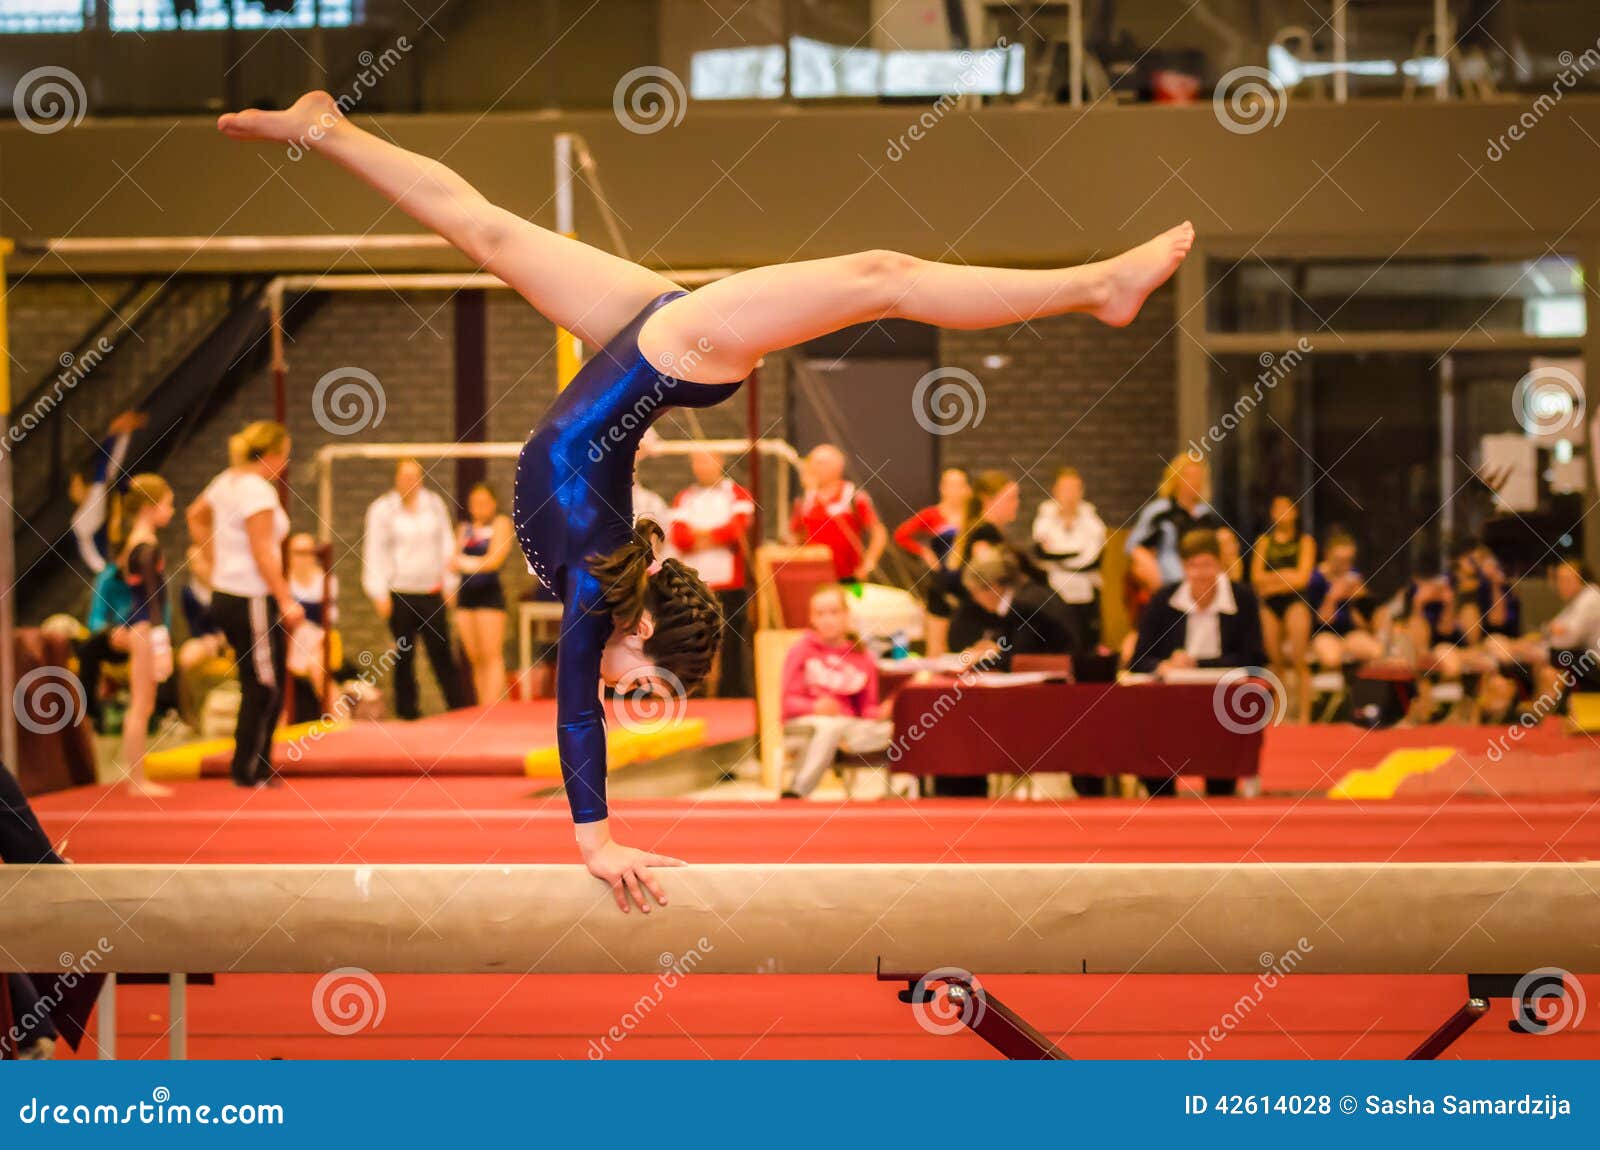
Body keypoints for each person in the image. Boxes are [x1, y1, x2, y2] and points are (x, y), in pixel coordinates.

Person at [219, 89, 1192, 908]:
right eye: (638, 674)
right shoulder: (601, 590)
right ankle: (1096, 286)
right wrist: (595, 840)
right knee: (881, 275)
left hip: (644, 343)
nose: (615, 682)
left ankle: (330, 127)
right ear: (641, 631)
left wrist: (598, 826)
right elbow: (574, 715)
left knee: (484, 231)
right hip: (672, 352)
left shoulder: (614, 563)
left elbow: (584, 679)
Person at [187, 421, 300, 788]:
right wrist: (285, 597)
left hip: (228, 592)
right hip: (250, 596)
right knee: (265, 684)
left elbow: (195, 514)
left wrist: (212, 559)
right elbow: (262, 550)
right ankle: (249, 767)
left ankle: (255, 764)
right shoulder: (257, 491)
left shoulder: (227, 480)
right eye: (284, 456)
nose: (284, 464)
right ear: (270, 455)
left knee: (262, 680)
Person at [1130, 529, 1266, 798]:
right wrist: (1164, 666)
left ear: (1219, 564)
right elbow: (1139, 660)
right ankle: (1160, 798)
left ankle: (1221, 794)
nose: (1201, 573)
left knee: (1220, 754)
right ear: (1183, 567)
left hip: (1222, 700)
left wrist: (1199, 664)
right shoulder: (1163, 601)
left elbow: (1254, 658)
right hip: (1171, 704)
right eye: (1193, 565)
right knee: (1151, 730)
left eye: (1207, 565)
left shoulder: (1242, 599)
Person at [361, 459, 464, 720]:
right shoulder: (382, 509)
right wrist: (378, 592)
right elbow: (374, 551)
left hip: (431, 591)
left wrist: (451, 584)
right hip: (400, 593)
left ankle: (458, 709)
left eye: (415, 477)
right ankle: (408, 713)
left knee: (441, 654)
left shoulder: (434, 505)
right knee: (403, 656)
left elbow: (446, 544)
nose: (410, 482)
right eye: (405, 477)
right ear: (397, 479)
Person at [779, 584, 894, 798]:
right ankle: (797, 791)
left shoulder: (862, 657)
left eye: (834, 612)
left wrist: (882, 713)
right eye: (821, 614)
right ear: (812, 618)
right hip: (807, 725)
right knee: (830, 727)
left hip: (849, 727)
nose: (828, 619)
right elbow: (786, 704)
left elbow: (866, 710)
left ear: (846, 615)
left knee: (894, 730)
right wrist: (815, 707)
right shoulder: (801, 651)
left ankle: (902, 794)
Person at [111, 474, 177, 797]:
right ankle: (136, 779)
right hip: (146, 629)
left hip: (140, 628)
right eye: (168, 503)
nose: (172, 510)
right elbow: (151, 599)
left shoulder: (137, 542)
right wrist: (161, 644)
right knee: (140, 704)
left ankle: (137, 776)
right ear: (150, 506)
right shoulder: (145, 545)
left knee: (143, 705)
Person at [670, 451, 755, 696]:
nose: (702, 466)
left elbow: (736, 531)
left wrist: (701, 535)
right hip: (695, 581)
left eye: (706, 460)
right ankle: (693, 689)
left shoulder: (737, 494)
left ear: (721, 462)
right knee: (693, 636)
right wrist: (712, 537)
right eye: (697, 461)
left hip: (730, 581)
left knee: (731, 639)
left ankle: (733, 690)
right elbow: (680, 537)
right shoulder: (684, 497)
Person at [1127, 456, 1236, 624]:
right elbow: (1135, 547)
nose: (1194, 481)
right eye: (1189, 476)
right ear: (1175, 479)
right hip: (1171, 578)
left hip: (1205, 577)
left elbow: (1222, 544)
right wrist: (1155, 577)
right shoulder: (1160, 511)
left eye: (1198, 477)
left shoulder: (1206, 513)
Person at [1250, 494, 1315, 721]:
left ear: (1295, 512)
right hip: (1270, 605)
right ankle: (1279, 713)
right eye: (1277, 508)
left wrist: (1273, 582)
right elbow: (1256, 578)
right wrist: (1286, 577)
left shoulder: (1305, 542)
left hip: (1295, 602)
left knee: (1299, 659)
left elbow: (1303, 578)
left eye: (1286, 508)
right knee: (1275, 662)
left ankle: (1305, 715)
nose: (1282, 513)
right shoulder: (1264, 541)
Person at [893, 468, 970, 657]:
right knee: (936, 642)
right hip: (941, 583)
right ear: (942, 488)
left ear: (967, 489)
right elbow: (901, 535)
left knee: (964, 640)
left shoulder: (972, 516)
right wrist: (924, 552)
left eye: (959, 485)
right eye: (950, 485)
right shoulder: (932, 515)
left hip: (968, 583)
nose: (954, 490)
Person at [947, 470, 1026, 651]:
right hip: (979, 627)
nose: (1016, 504)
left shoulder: (983, 530)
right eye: (1010, 498)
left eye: (1017, 497)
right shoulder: (984, 535)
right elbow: (988, 581)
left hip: (979, 623)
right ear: (988, 500)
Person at [451, 484, 513, 707]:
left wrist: (464, 563)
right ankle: (483, 706)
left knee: (491, 655)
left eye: (484, 502)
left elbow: (494, 560)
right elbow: (451, 561)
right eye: (475, 503)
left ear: (493, 503)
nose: (479, 507)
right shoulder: (464, 528)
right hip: (466, 596)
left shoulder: (501, 524)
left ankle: (491, 706)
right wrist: (468, 564)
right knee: (475, 659)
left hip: (489, 596)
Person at [1031, 466, 1106, 650]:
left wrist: (1061, 558)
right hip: (1053, 592)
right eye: (1065, 489)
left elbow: (1091, 558)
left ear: (1082, 491)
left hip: (1085, 595)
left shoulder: (1092, 521)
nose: (1070, 495)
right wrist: (1076, 553)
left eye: (1075, 489)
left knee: (1085, 644)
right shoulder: (1044, 519)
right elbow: (1043, 554)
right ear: (1055, 491)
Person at [790, 444, 887, 582]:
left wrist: (868, 565)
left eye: (821, 463)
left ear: (837, 467)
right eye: (813, 463)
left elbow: (879, 532)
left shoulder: (853, 495)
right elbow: (796, 536)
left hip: (849, 578)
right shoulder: (805, 499)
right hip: (813, 579)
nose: (815, 468)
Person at [69, 410, 144, 575]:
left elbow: (107, 471)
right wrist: (119, 433)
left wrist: (121, 434)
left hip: (104, 562)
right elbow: (105, 471)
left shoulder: (95, 502)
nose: (73, 492)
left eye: (76, 485)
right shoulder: (84, 519)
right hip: (103, 566)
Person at [1305, 533, 1382, 672]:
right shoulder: (1316, 579)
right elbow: (1323, 620)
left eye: (1349, 560)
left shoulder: (1353, 575)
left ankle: (1361, 689)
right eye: (1340, 560)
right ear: (1328, 556)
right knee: (1332, 659)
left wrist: (1358, 599)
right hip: (1324, 632)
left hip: (1350, 632)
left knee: (1376, 652)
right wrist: (1332, 597)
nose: (1345, 565)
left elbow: (1363, 623)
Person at [286, 533, 340, 715]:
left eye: (308, 553)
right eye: (297, 553)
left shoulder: (326, 581)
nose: (303, 559)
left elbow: (330, 619)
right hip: (288, 640)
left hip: (317, 638)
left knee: (319, 671)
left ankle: (342, 718)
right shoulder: (282, 582)